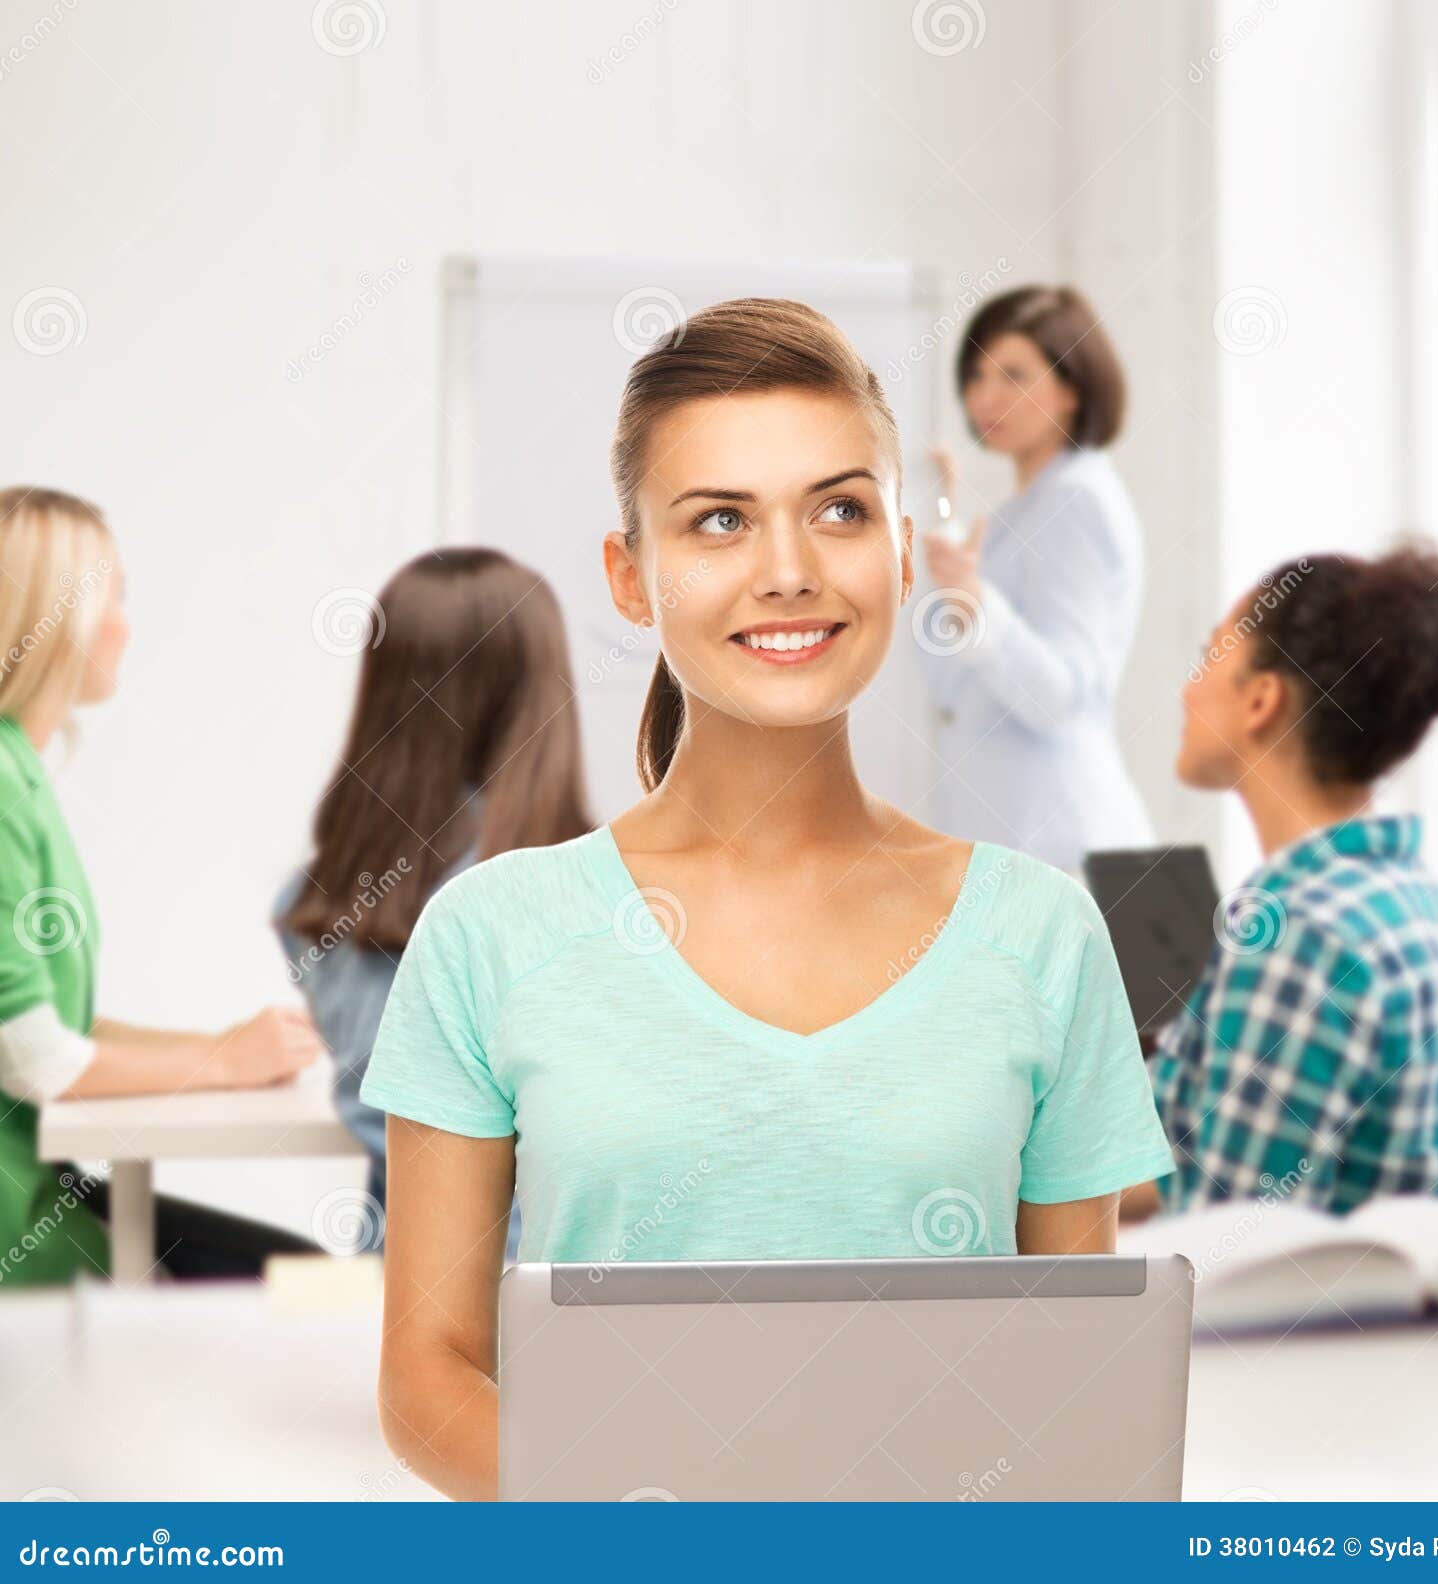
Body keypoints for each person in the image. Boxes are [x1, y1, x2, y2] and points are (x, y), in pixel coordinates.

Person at [357, 297, 1176, 1499]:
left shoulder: (1042, 934)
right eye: (720, 521)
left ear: (900, 552)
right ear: (630, 578)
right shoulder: (492, 934)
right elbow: (430, 1379)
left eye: (839, 510)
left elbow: (1071, 1388)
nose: (787, 571)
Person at [1124, 542, 1438, 1220]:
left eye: (1210, 655)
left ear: (1261, 701)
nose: (1187, 687)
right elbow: (1192, 1161)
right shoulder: (1411, 900)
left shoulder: (1300, 937)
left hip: (1282, 1320)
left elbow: (1218, 1239)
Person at [0, 486, 323, 1285]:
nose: (126, 625)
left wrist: (227, 1047)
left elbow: (48, 1024)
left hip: (45, 1183)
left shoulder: (23, 774)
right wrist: (221, 1066)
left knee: (308, 1272)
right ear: (60, 615)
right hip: (19, 1224)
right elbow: (36, 1061)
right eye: (117, 595)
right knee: (301, 1283)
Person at [273, 548, 595, 1257]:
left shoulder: (310, 904)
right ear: (542, 693)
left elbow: (383, 1106)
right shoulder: (600, 893)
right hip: (559, 1294)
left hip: (404, 1288)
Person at [918, 284, 1155, 874]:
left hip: (1063, 848)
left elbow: (1058, 697)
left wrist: (976, 605)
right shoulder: (1025, 507)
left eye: (1015, 375)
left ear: (1072, 387)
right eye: (976, 376)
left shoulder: (1076, 501)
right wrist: (938, 507)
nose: (986, 397)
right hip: (1026, 844)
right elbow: (952, 682)